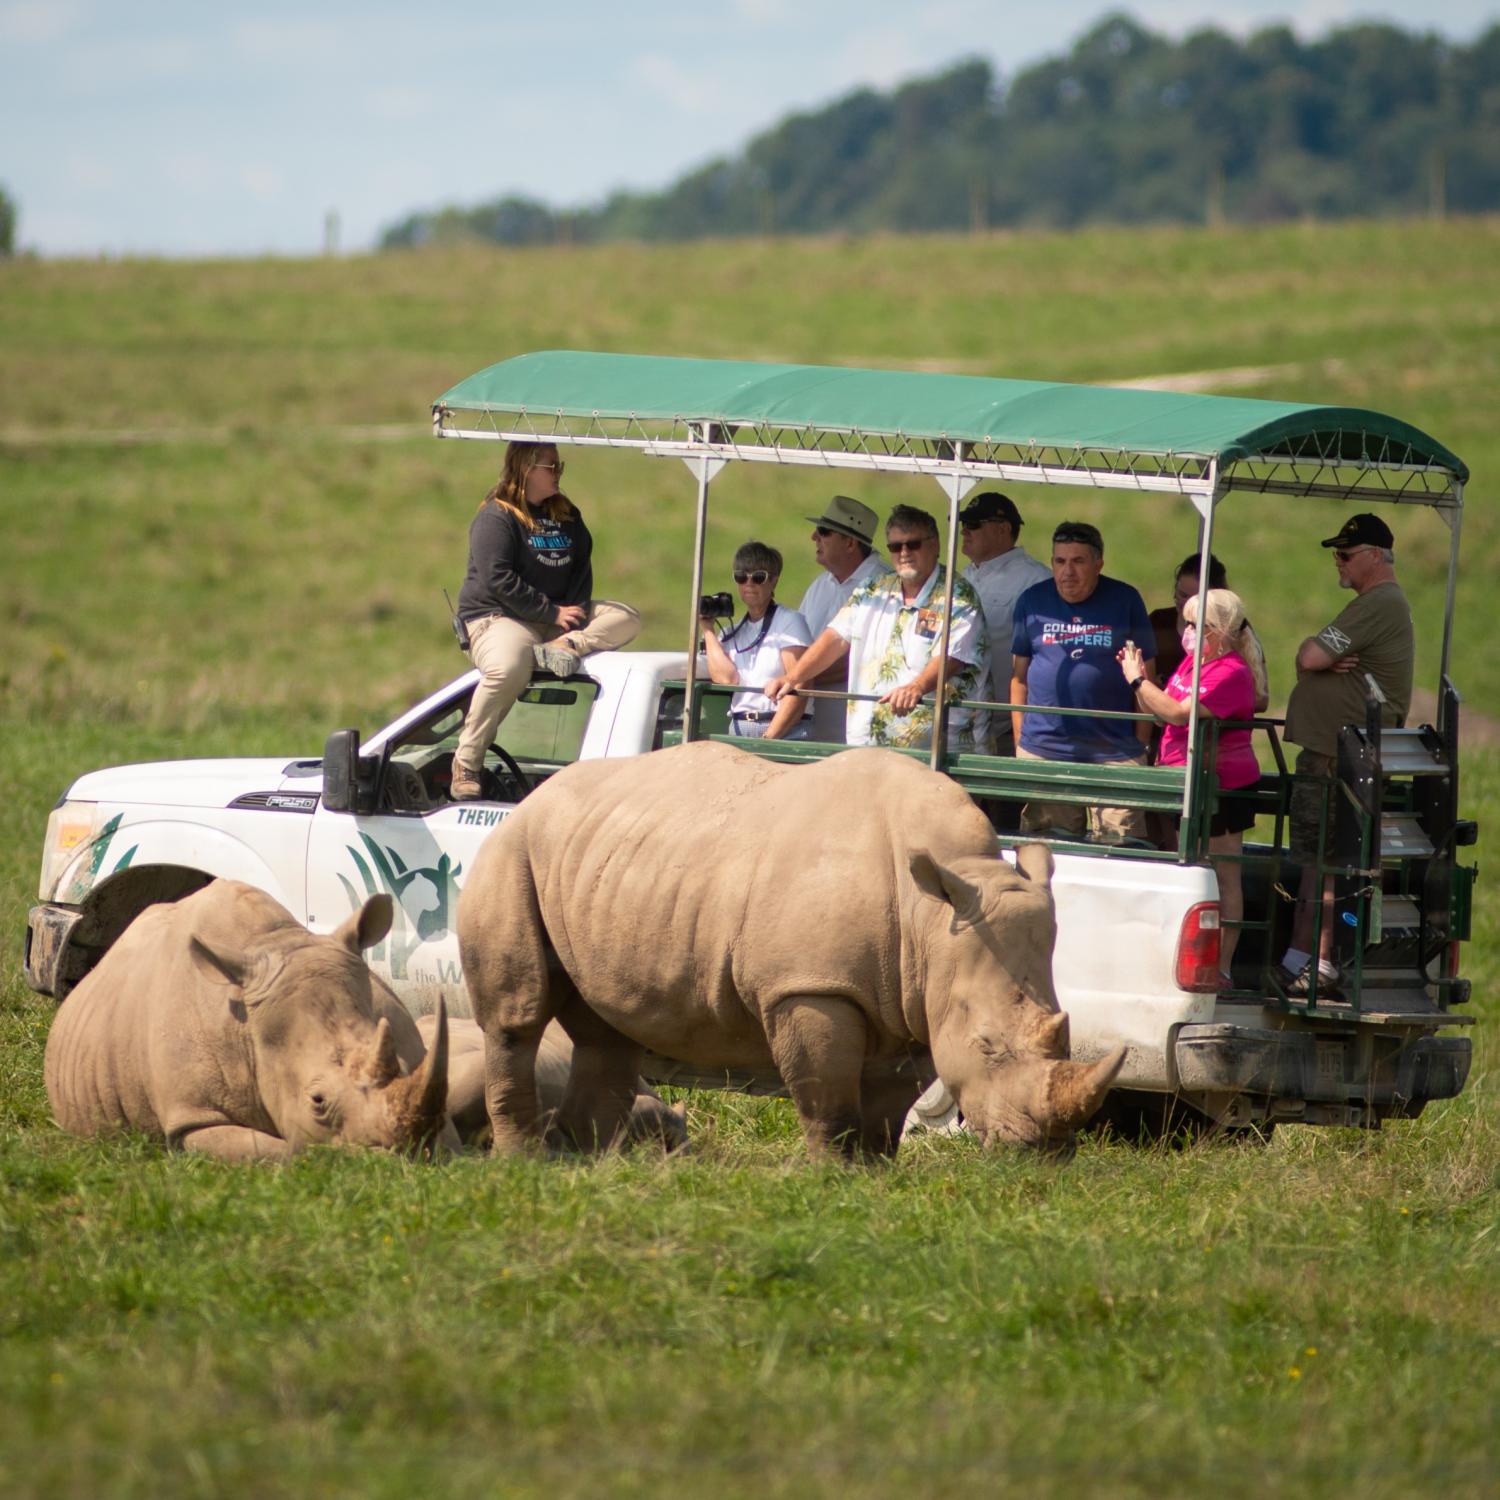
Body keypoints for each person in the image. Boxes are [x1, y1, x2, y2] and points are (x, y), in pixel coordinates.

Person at [450, 441, 640, 801]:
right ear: (526, 468)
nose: (558, 474)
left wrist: (574, 618)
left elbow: (582, 569)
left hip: (556, 621)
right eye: (550, 466)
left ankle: (565, 647)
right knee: (508, 668)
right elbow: (498, 579)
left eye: (559, 466)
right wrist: (551, 613)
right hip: (498, 616)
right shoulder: (496, 516)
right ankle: (467, 763)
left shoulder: (567, 514)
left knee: (626, 617)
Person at [1275, 512, 1413, 997]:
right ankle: (1300, 956)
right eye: (1337, 553)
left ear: (1375, 557)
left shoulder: (1378, 602)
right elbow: (1308, 655)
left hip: (1346, 756)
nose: (1338, 562)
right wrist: (1312, 656)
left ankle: (1323, 959)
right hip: (1331, 751)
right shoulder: (1372, 604)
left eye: (1346, 555)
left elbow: (1311, 656)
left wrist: (1315, 657)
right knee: (1314, 857)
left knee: (1331, 859)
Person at [1119, 588, 1268, 991]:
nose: (1186, 632)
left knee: (1222, 872)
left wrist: (1137, 679)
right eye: (1186, 623)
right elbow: (1166, 703)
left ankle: (1221, 966)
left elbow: (1175, 712)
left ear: (1218, 631)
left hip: (1221, 786)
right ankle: (1184, 957)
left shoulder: (1230, 671)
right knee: (1187, 866)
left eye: (1195, 625)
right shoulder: (1194, 662)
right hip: (1181, 778)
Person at [767, 504, 987, 752]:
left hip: (935, 752)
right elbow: (835, 638)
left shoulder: (958, 596)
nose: (903, 553)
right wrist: (794, 677)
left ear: (935, 545)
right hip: (866, 744)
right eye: (895, 546)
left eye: (912, 544)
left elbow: (951, 656)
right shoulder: (873, 588)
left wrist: (917, 687)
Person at [1009, 520, 1155, 843]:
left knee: (1121, 848)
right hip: (1046, 749)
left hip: (1115, 751)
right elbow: (1019, 679)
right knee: (1046, 851)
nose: (1067, 572)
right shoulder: (1032, 601)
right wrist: (1021, 741)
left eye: (1078, 561)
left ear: (1099, 564)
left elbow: (1147, 678)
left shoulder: (1125, 600)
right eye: (1060, 561)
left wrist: (1141, 744)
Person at [959, 491, 1050, 753]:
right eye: (964, 524)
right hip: (963, 720)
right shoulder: (964, 575)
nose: (965, 532)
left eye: (974, 525)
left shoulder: (1035, 580)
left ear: (1003, 529)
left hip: (1009, 724)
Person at [796, 496, 893, 741]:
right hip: (814, 724)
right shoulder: (820, 585)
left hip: (859, 730)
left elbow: (864, 658)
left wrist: (800, 677)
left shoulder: (885, 588)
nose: (813, 537)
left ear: (850, 543)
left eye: (824, 532)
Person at [698, 541, 813, 740]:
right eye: (741, 577)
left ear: (774, 581)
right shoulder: (730, 632)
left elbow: (800, 684)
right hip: (739, 727)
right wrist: (708, 629)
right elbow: (726, 679)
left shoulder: (790, 622)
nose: (749, 584)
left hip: (783, 730)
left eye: (759, 577)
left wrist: (769, 738)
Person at [1150, 552, 1270, 713]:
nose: (1187, 604)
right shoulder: (1159, 621)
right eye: (1182, 595)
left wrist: (1209, 701)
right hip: (1164, 729)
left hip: (1211, 732)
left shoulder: (1235, 629)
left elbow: (1260, 699)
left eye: (1197, 599)